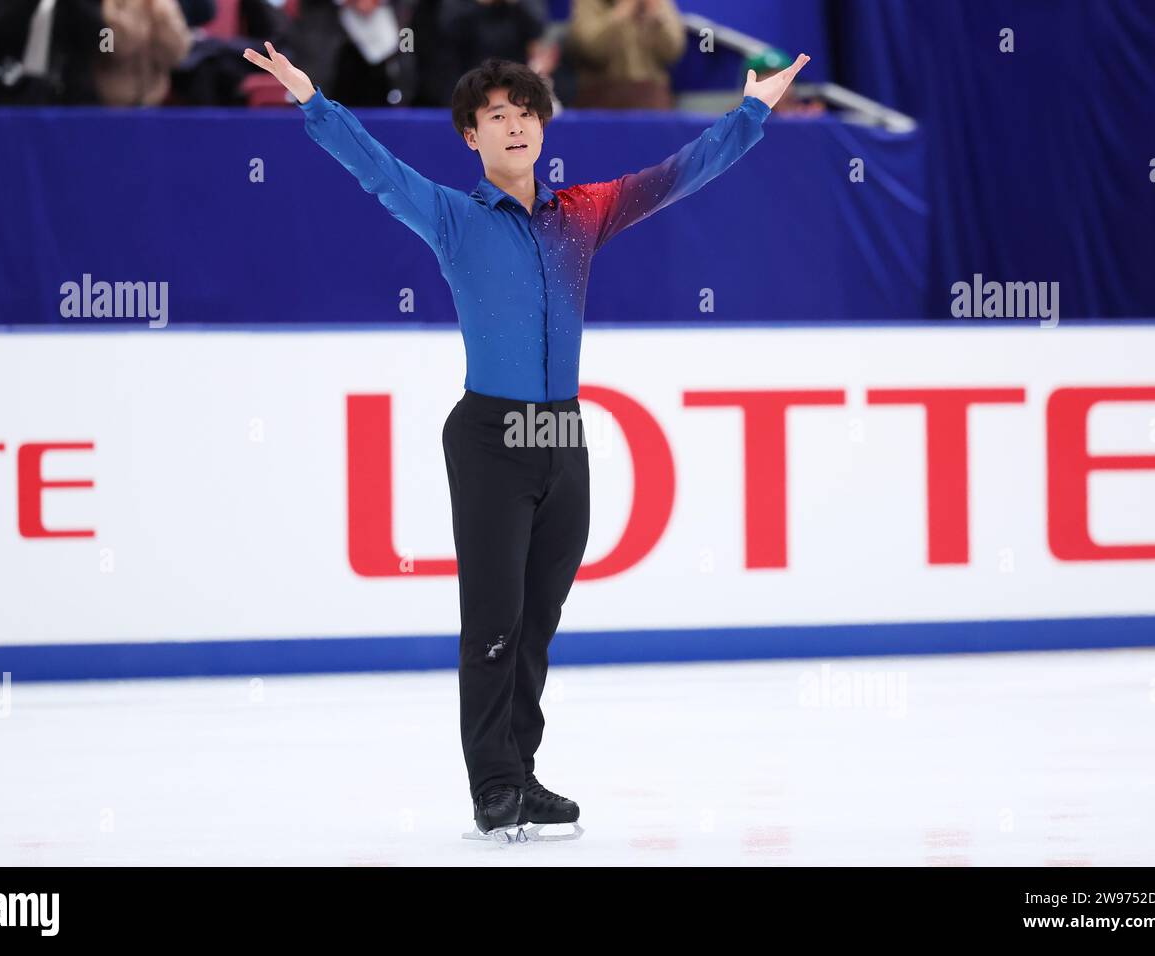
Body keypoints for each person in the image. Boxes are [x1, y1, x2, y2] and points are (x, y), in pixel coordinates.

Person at [242, 43, 810, 840]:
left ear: (544, 126)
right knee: (495, 620)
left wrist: (752, 112)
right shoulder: (452, 216)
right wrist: (312, 101)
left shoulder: (584, 210)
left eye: (524, 112)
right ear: (471, 138)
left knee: (539, 618)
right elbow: (372, 167)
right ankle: (494, 785)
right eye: (495, 117)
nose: (514, 126)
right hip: (488, 441)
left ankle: (523, 770)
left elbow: (679, 174)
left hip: (562, 439)